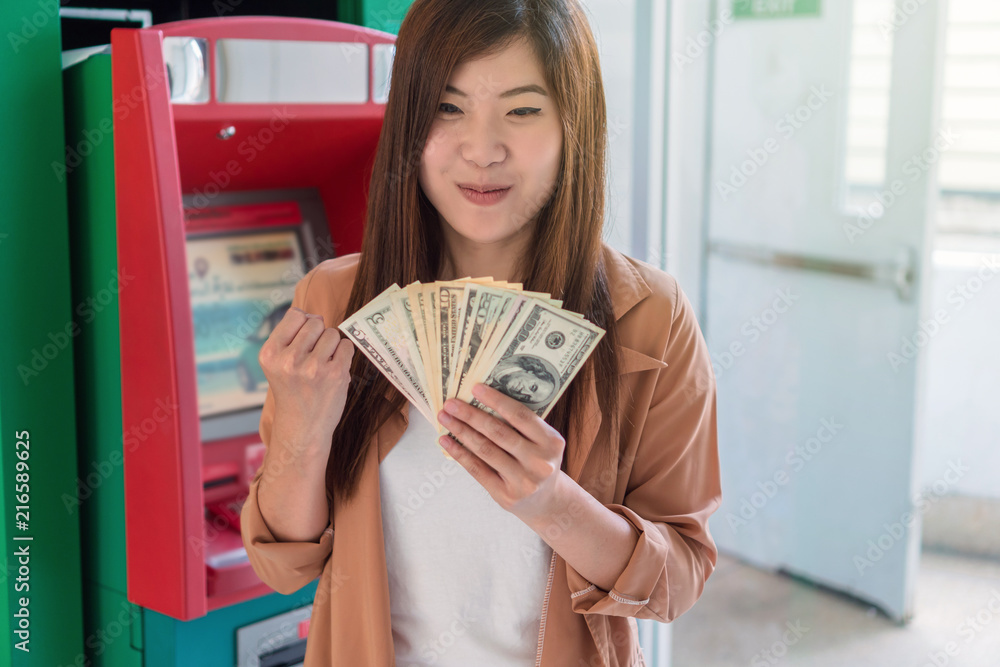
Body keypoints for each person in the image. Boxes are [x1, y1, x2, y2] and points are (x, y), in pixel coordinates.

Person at [240, 0, 722, 665]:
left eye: (522, 110)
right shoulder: (333, 301)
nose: (482, 148)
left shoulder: (652, 315)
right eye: (447, 107)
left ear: (572, 123)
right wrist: (303, 431)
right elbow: (283, 565)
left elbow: (680, 576)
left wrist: (554, 503)